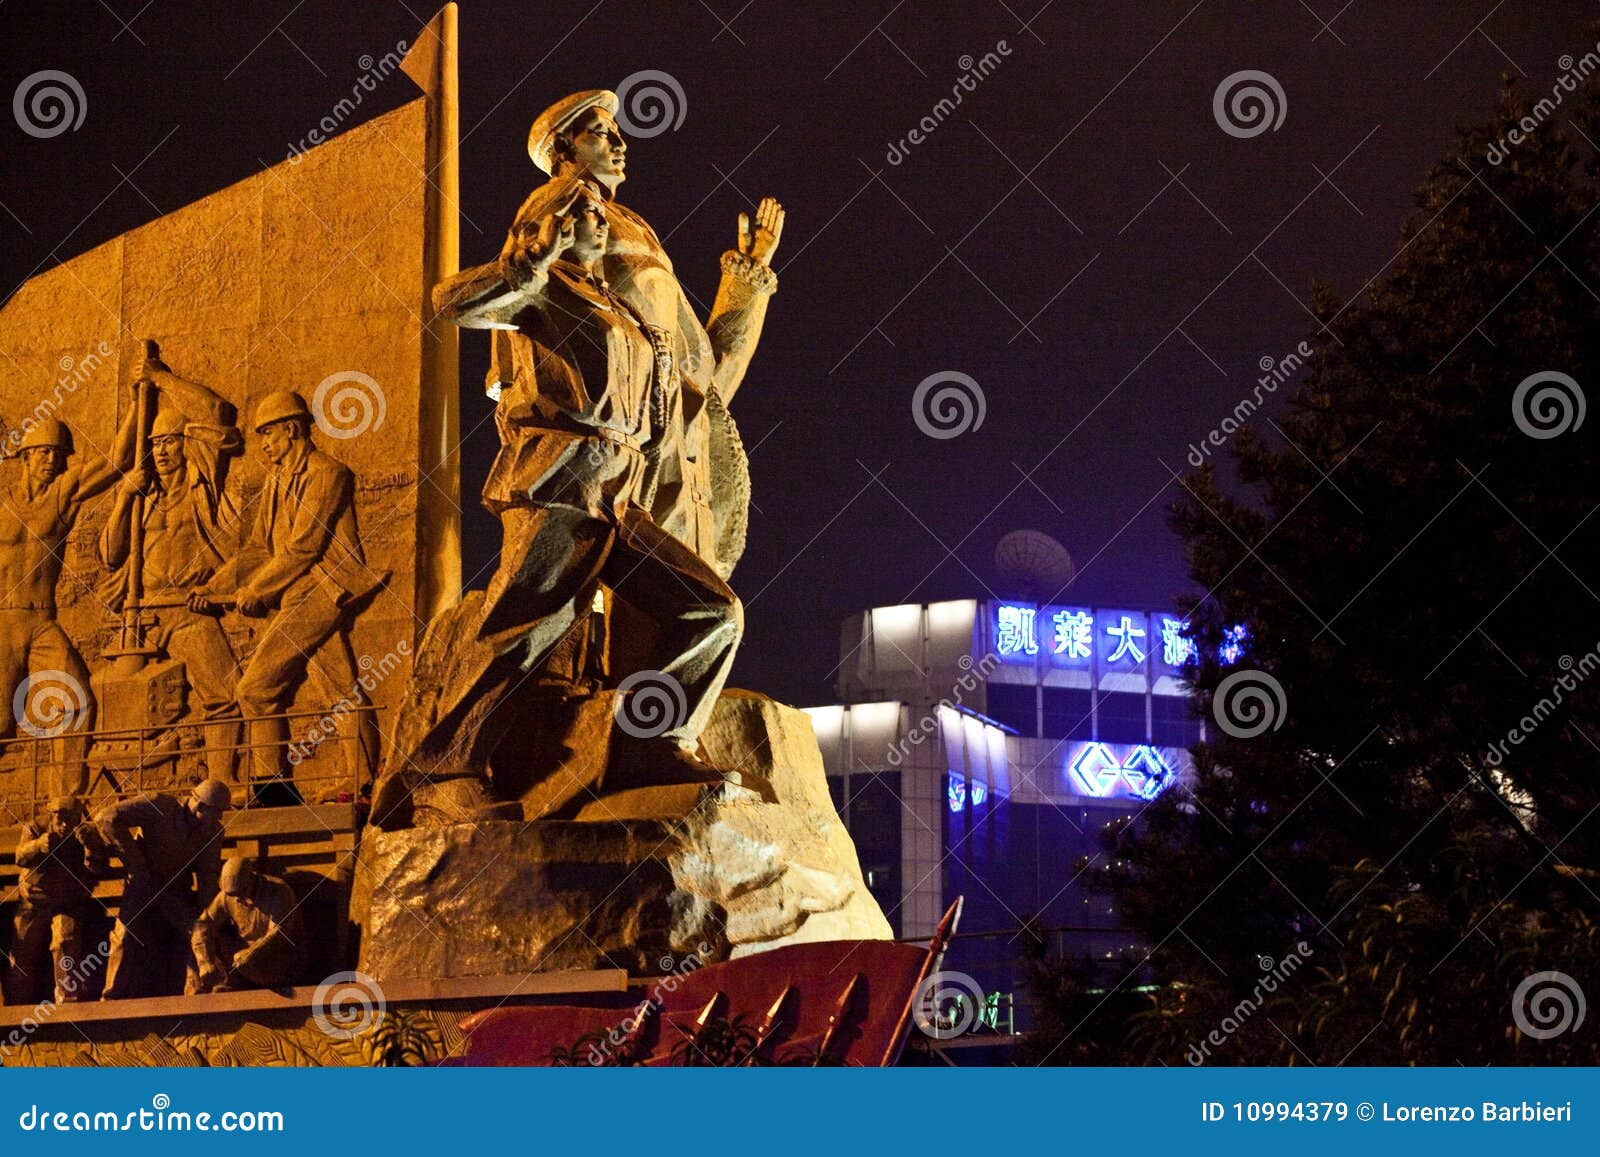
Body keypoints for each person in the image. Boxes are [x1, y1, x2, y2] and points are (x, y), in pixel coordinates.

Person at [377, 181, 744, 824]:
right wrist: (527, 262)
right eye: (582, 215)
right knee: (524, 628)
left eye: (599, 215)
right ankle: (443, 768)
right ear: (550, 226)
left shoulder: (623, 311)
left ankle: (647, 743)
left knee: (712, 612)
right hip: (561, 481)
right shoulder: (540, 288)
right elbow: (450, 303)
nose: (599, 223)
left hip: (620, 490)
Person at [466, 89, 784, 579]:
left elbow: (703, 372)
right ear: (564, 149)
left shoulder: (633, 226)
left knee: (689, 601)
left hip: (671, 440)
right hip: (623, 440)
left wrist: (749, 277)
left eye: (617, 133)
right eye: (600, 133)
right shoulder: (563, 205)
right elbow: (528, 295)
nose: (619, 143)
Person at [190, 393, 384, 789]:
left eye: (268, 434)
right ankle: (365, 782)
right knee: (339, 689)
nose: (263, 444)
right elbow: (258, 549)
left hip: (323, 589)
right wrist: (213, 588)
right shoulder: (278, 479)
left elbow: (304, 547)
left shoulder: (327, 473)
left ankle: (272, 789)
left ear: (292, 429)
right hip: (297, 593)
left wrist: (257, 591)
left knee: (256, 690)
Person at [99, 352, 243, 779]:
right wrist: (124, 498)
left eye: (170, 442)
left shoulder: (202, 483)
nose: (161, 451)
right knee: (127, 711)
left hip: (188, 611)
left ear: (187, 444)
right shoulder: (144, 497)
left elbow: (216, 414)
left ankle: (221, 783)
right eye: (156, 444)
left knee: (224, 695)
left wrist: (161, 378)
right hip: (141, 618)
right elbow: (110, 556)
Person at [0, 404, 139, 793]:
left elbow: (117, 461)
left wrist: (135, 399)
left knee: (76, 699)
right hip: (2, 623)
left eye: (58, 454)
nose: (52, 460)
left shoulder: (62, 495)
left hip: (42, 621)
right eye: (45, 452)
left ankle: (65, 799)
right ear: (25, 457)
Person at [94, 778, 230, 999]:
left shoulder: (213, 831)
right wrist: (136, 864)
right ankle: (111, 995)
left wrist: (208, 917)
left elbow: (207, 875)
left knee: (199, 931)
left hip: (175, 889)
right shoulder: (159, 805)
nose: (219, 818)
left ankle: (198, 991)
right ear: (200, 806)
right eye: (217, 813)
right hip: (142, 883)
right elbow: (106, 818)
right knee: (124, 934)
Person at [4, 796, 109, 1004]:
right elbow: (19, 857)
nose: (65, 825)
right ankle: (17, 1000)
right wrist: (38, 846)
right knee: (24, 947)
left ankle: (67, 998)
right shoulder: (35, 828)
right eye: (61, 820)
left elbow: (99, 868)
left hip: (67, 901)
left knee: (65, 940)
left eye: (71, 820)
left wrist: (90, 848)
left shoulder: (85, 833)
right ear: (52, 816)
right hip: (33, 900)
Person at [190, 858, 303, 993]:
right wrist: (205, 962)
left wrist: (252, 952)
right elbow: (203, 925)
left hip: (279, 960)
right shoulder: (227, 896)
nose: (236, 898)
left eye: (240, 891)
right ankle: (227, 983)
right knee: (209, 937)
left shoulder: (278, 891)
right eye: (232, 894)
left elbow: (280, 932)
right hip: (243, 962)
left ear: (251, 879)